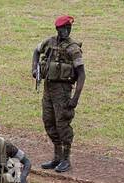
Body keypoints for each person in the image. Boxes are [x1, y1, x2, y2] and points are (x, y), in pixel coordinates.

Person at [32, 14, 85, 172]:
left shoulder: (73, 49)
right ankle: (57, 156)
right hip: (48, 89)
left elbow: (81, 74)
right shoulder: (49, 42)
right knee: (48, 121)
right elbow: (36, 51)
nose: (66, 31)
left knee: (63, 124)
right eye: (63, 29)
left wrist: (75, 98)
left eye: (68, 28)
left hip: (63, 90)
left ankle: (66, 159)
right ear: (57, 29)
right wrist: (34, 68)